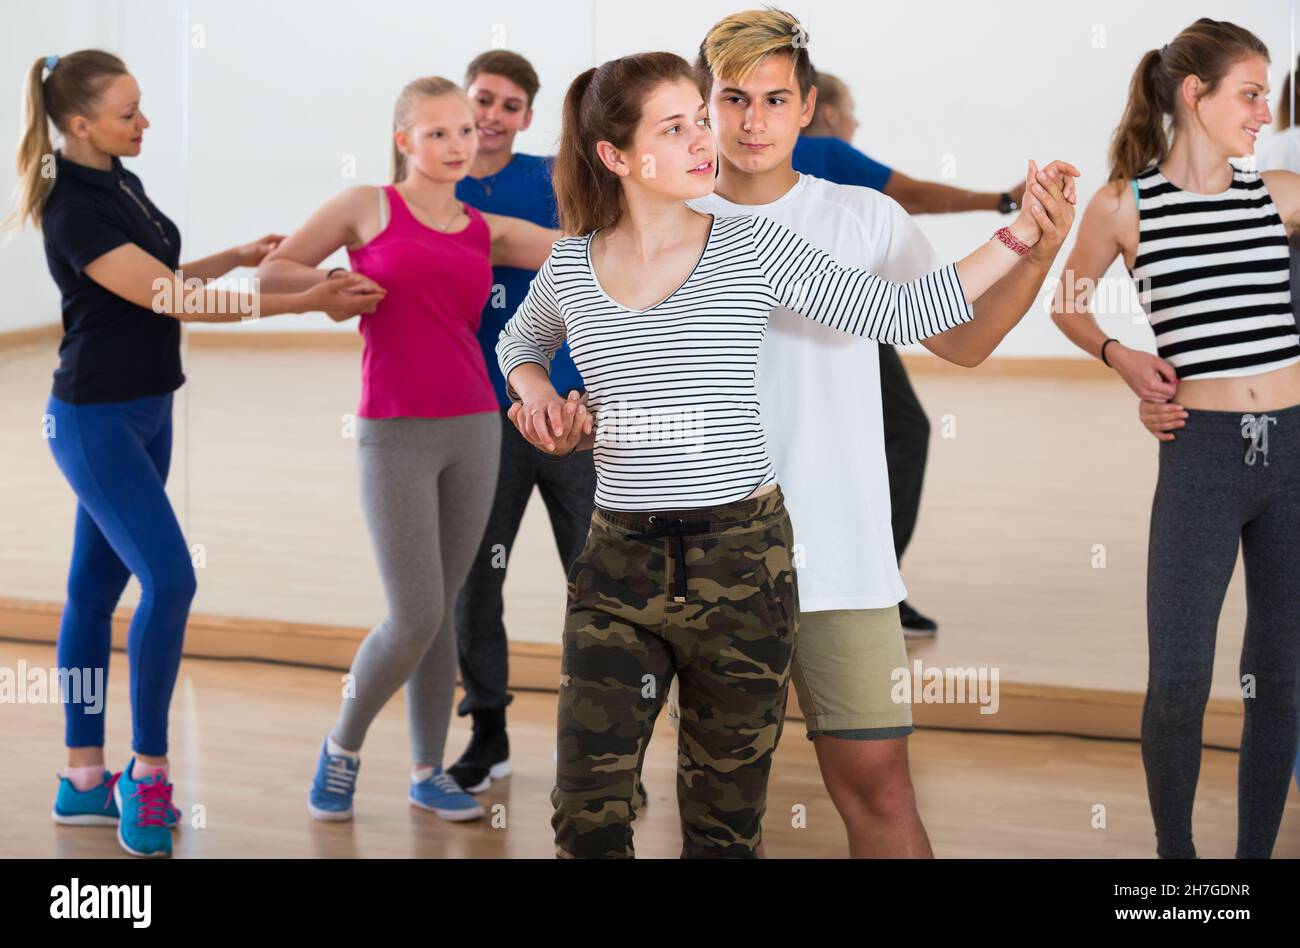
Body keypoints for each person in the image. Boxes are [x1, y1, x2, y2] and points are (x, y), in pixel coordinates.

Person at [498, 49, 1050, 858]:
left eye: (699, 121)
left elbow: (899, 311)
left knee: (723, 830)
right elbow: (520, 340)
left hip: (743, 560)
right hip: (616, 564)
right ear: (616, 157)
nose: (704, 141)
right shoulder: (573, 265)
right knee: (585, 819)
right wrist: (536, 394)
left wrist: (1021, 235)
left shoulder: (752, 246)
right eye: (676, 126)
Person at [671, 6, 1077, 857]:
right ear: (703, 106)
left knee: (884, 791)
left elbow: (963, 341)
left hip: (844, 558)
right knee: (715, 811)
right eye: (734, 98)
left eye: (775, 100)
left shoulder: (865, 220)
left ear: (808, 106)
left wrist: (1036, 252)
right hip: (707, 557)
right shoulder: (665, 221)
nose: (753, 121)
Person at [7, 50, 381, 858]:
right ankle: (146, 773)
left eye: (141, 108)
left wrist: (239, 258)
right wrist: (300, 299)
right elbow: (171, 300)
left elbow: (162, 279)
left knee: (92, 589)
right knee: (170, 579)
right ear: (80, 125)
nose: (144, 123)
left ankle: (80, 784)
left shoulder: (118, 182)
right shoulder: (75, 207)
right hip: (95, 421)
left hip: (147, 410)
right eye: (128, 113)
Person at [253, 76, 559, 824]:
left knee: (442, 609)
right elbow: (272, 273)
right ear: (403, 141)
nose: (459, 144)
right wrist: (330, 283)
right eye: (438, 133)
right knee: (413, 612)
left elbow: (579, 251)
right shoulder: (367, 207)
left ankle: (428, 770)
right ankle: (343, 745)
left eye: (464, 131)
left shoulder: (485, 228)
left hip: (476, 426)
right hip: (393, 431)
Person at [1053, 18, 1300, 858]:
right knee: (1180, 681)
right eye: (1251, 93)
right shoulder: (1125, 204)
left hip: (1294, 457)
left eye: (1267, 94)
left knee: (1281, 683)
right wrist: (1123, 358)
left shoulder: (1280, 192)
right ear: (1195, 95)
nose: (1265, 111)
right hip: (1200, 455)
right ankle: (1178, 865)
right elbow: (1069, 302)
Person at [794, 68, 1037, 635]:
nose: (856, 121)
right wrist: (1002, 200)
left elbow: (951, 330)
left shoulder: (833, 193)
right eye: (850, 108)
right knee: (905, 431)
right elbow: (918, 195)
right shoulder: (827, 150)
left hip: (857, 315)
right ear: (822, 110)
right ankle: (877, 581)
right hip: (846, 323)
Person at [446, 50, 599, 797]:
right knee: (478, 579)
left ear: (528, 117)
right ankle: (489, 733)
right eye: (483, 99)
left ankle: (600, 753)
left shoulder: (556, 178)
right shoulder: (436, 185)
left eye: (509, 105)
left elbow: (598, 264)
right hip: (481, 417)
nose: (492, 115)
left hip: (573, 412)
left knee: (598, 583)